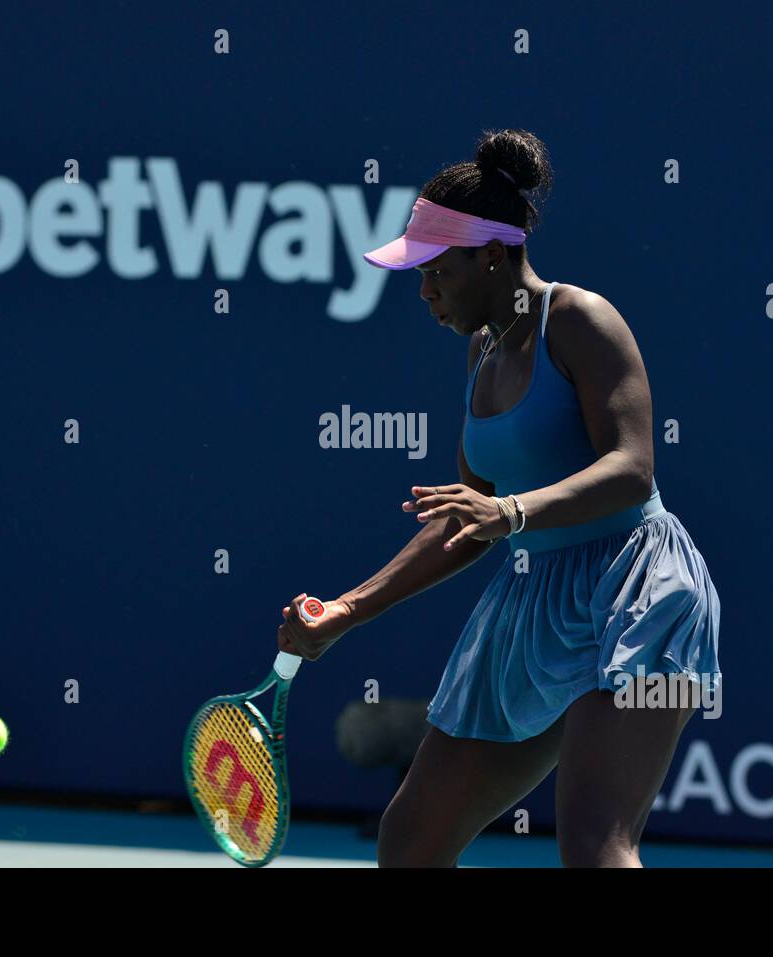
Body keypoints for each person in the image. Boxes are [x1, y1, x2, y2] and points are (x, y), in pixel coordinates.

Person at [277, 128, 721, 867]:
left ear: (490, 255)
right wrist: (351, 608)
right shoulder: (481, 352)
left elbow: (632, 467)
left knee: (594, 844)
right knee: (411, 837)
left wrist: (513, 512)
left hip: (638, 592)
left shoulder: (581, 319)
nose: (423, 292)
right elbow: (467, 520)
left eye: (433, 272)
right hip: (535, 602)